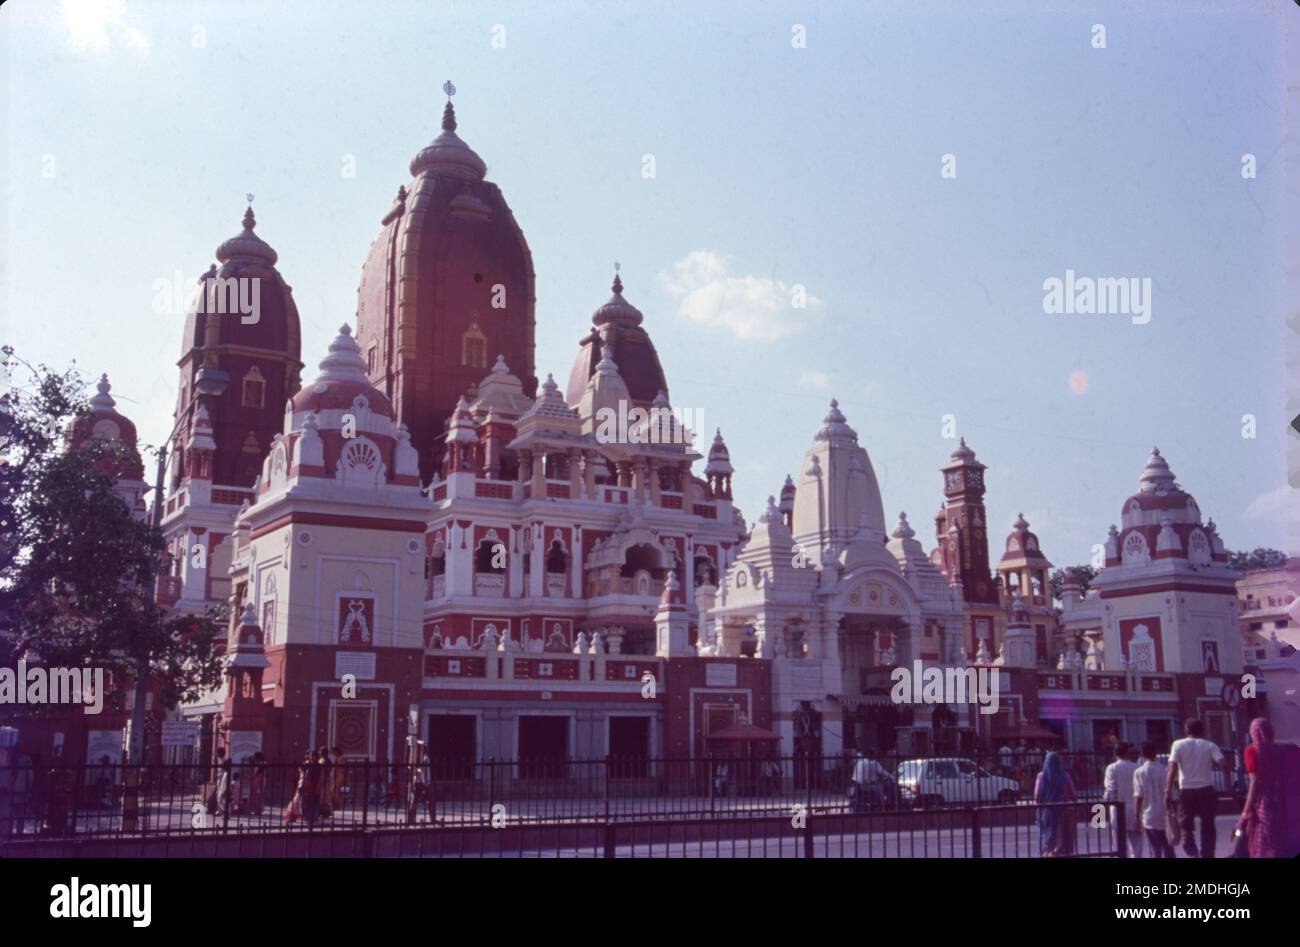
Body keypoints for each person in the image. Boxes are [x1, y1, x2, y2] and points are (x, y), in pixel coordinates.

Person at [1165, 718, 1231, 858]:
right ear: (1202, 730)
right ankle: (1207, 855)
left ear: (1186, 730)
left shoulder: (1178, 745)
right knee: (1208, 825)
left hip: (1186, 790)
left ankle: (1192, 852)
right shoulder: (1210, 745)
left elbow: (1172, 769)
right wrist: (1229, 786)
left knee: (1185, 825)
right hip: (1206, 790)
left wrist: (1168, 791)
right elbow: (1224, 764)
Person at [1237, 717, 1286, 858]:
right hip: (1279, 800)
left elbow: (1255, 782)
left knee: (1260, 842)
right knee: (1276, 840)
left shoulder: (1251, 751)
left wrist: (1246, 809)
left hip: (1261, 802)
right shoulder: (1278, 750)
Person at [1132, 743, 1175, 858]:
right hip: (1165, 814)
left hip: (1149, 815)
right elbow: (1173, 795)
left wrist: (1136, 816)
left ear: (1142, 754)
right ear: (1155, 754)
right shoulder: (1165, 770)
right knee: (1169, 847)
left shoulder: (1139, 772)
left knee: (1156, 849)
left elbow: (1138, 796)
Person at [1103, 742, 1143, 857]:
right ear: (1128, 753)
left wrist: (1105, 800)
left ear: (1115, 753)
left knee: (1118, 846)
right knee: (1136, 845)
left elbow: (1110, 790)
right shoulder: (1137, 768)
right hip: (1135, 810)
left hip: (1118, 810)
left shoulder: (1111, 768)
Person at [1034, 751, 1076, 856]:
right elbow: (1074, 795)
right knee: (1063, 840)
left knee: (1046, 840)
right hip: (1063, 811)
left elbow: (1037, 797)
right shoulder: (1065, 776)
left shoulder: (1041, 776)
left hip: (1046, 812)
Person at [248, 752, 267, 816]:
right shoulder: (257, 764)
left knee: (259, 795)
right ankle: (255, 809)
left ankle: (258, 810)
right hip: (255, 780)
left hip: (260, 780)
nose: (255, 759)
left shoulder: (262, 763)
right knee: (254, 796)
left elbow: (258, 771)